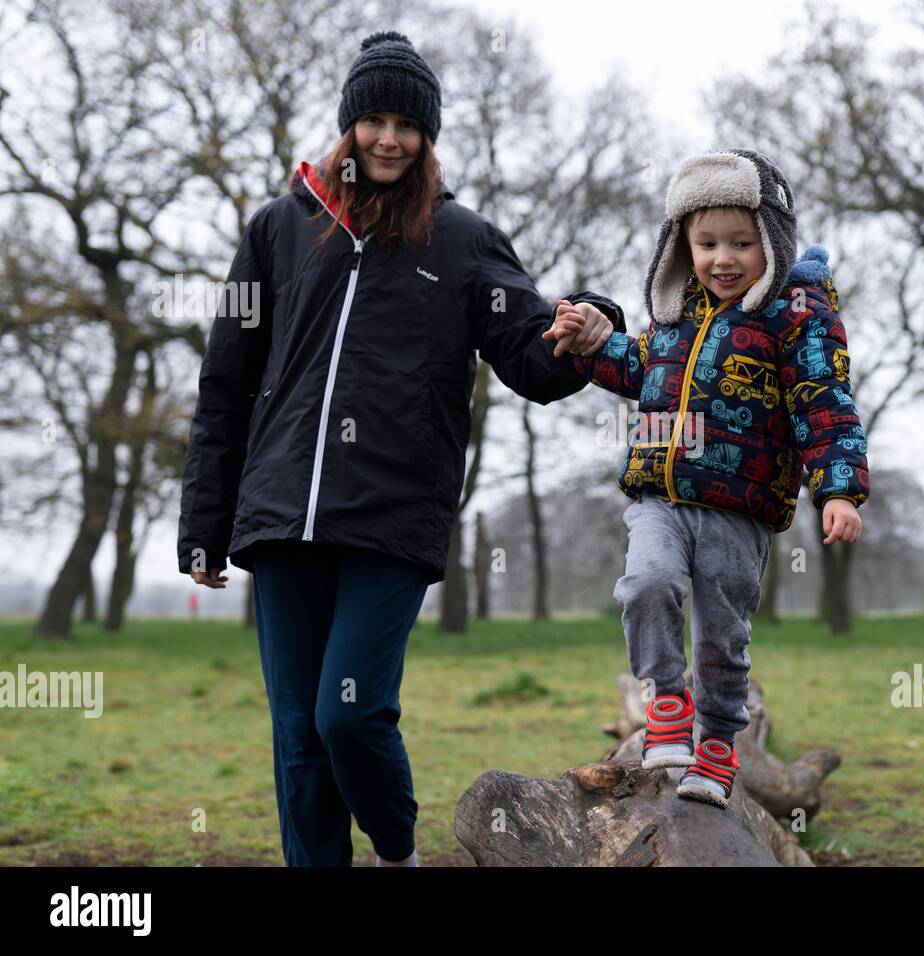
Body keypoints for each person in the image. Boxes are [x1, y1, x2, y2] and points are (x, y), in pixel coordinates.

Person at [177, 31, 621, 866]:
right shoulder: (276, 230)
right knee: (299, 737)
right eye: (373, 120)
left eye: (407, 126)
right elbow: (224, 384)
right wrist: (205, 523)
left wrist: (590, 322)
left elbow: (532, 355)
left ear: (427, 140)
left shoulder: (460, 240)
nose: (388, 139)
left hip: (390, 518)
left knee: (349, 716)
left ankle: (395, 851)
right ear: (349, 128)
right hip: (279, 519)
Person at [549, 148, 870, 808]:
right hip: (657, 497)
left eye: (741, 244)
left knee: (723, 635)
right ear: (682, 246)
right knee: (646, 584)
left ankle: (719, 741)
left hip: (740, 505)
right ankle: (666, 701)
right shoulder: (678, 314)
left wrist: (836, 488)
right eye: (707, 244)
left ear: (771, 243)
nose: (723, 259)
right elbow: (638, 367)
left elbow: (824, 399)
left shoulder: (796, 316)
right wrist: (590, 342)